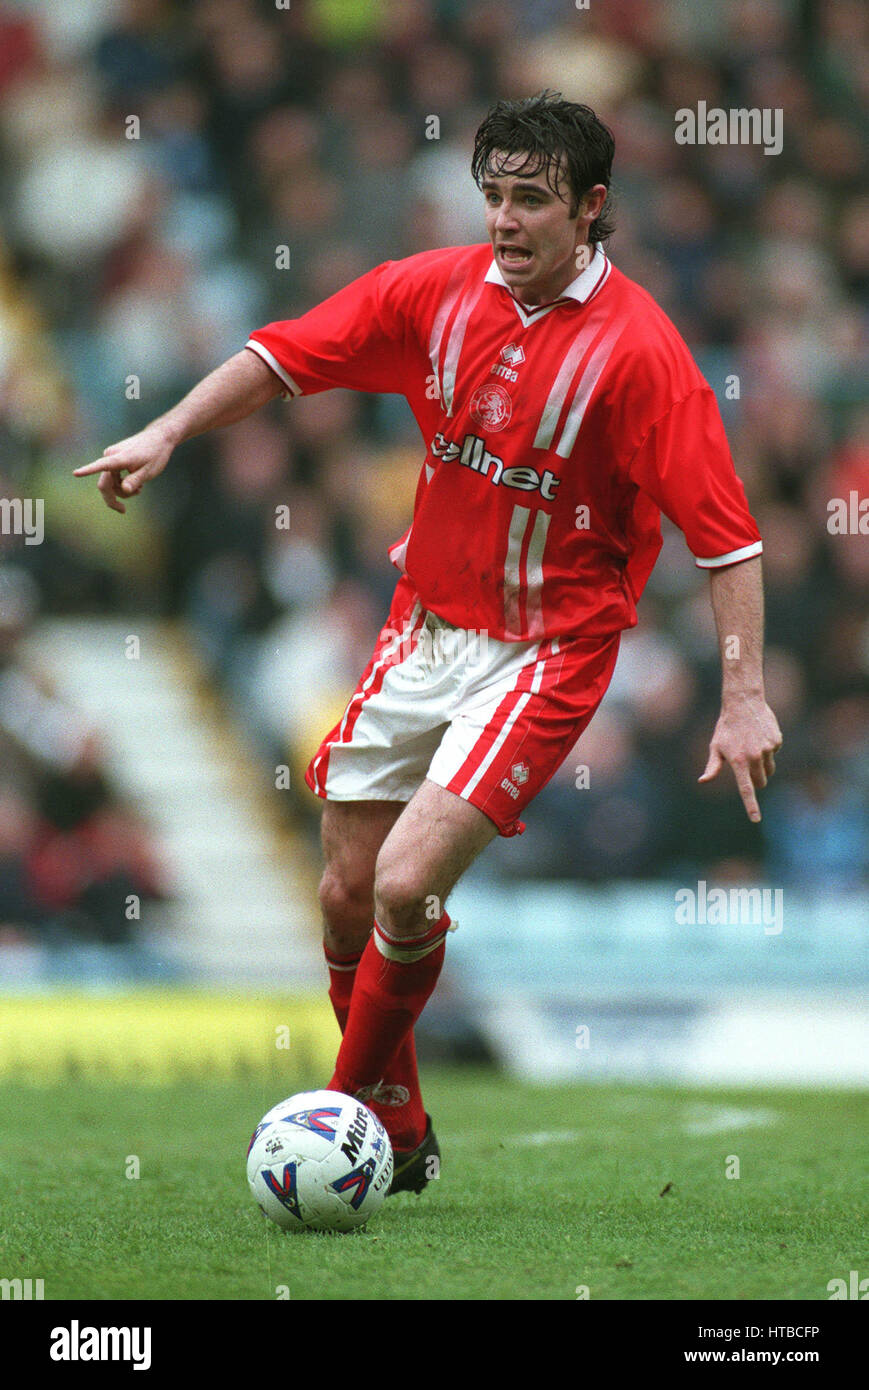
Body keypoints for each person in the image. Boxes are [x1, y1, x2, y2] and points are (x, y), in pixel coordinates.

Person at [75, 92, 783, 1195]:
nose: (502, 221)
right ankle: (397, 1127)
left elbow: (727, 541)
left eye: (530, 201)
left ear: (591, 208)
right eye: (491, 195)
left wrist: (739, 694)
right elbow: (282, 354)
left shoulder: (643, 356)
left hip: (549, 648)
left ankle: (335, 1112)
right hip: (425, 625)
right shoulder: (436, 290)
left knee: (405, 885)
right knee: (344, 893)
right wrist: (166, 426)